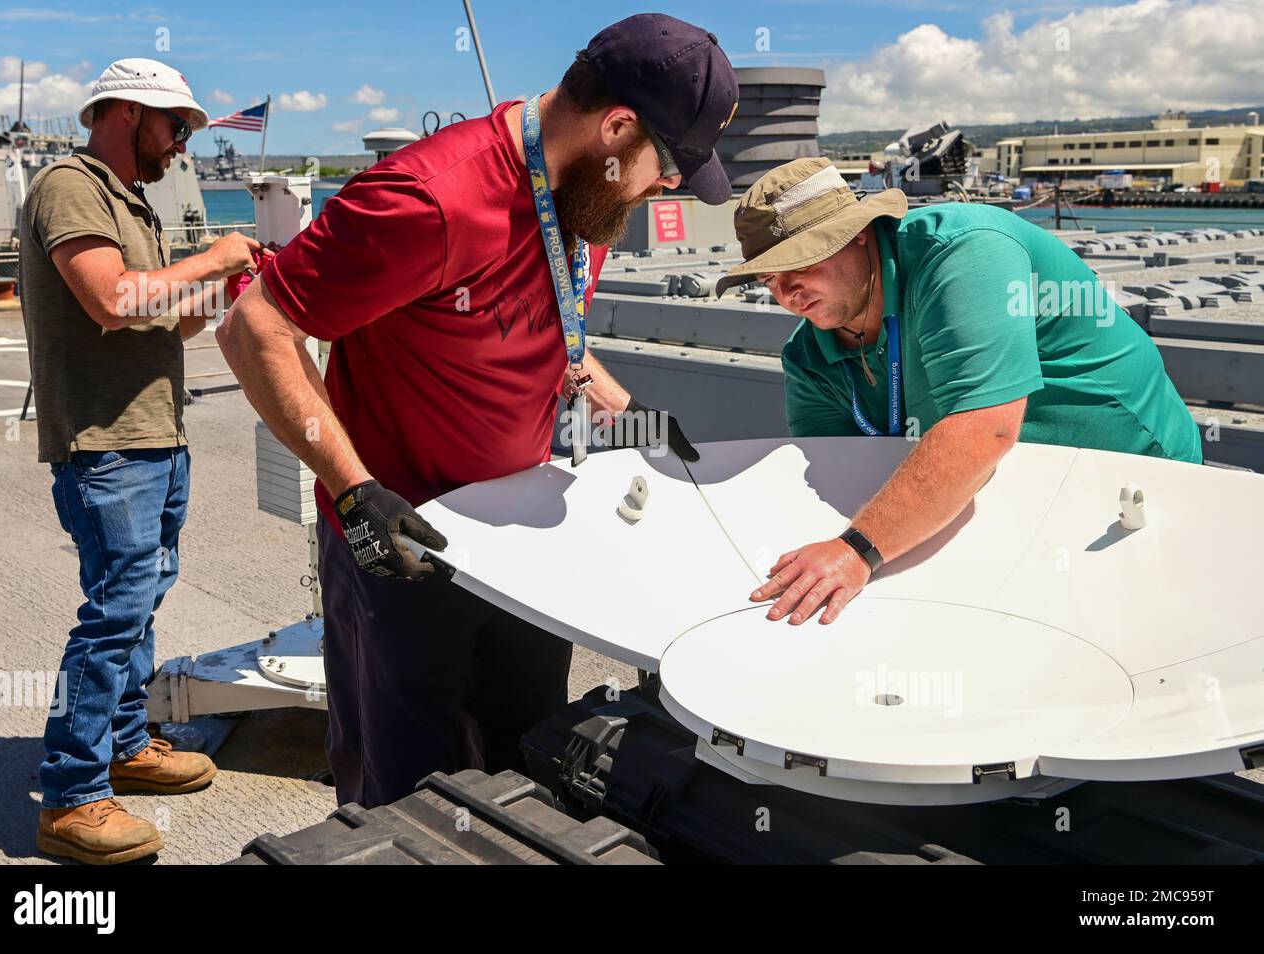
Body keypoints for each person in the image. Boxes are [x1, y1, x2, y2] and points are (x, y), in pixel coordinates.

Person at [218, 15, 739, 807]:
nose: (668, 186)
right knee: (405, 789)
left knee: (525, 768)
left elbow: (546, 330)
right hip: (404, 544)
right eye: (668, 165)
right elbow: (256, 325)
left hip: (519, 547)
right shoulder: (434, 199)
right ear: (617, 125)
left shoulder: (587, 203)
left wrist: (632, 414)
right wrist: (354, 491)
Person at [714, 158, 1201, 627]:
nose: (787, 293)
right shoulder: (807, 357)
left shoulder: (963, 253)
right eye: (768, 278)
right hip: (1003, 500)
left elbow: (984, 430)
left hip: (1128, 488)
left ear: (856, 233)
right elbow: (842, 470)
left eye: (801, 263)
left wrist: (855, 551)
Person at [22, 58, 263, 864]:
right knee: (112, 615)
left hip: (156, 435)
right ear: (126, 112)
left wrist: (220, 295)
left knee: (142, 601)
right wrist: (216, 258)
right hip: (106, 443)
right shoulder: (71, 184)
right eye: (176, 127)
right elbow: (111, 298)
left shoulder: (134, 202)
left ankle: (126, 746)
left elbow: (153, 317)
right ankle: (71, 796)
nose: (184, 143)